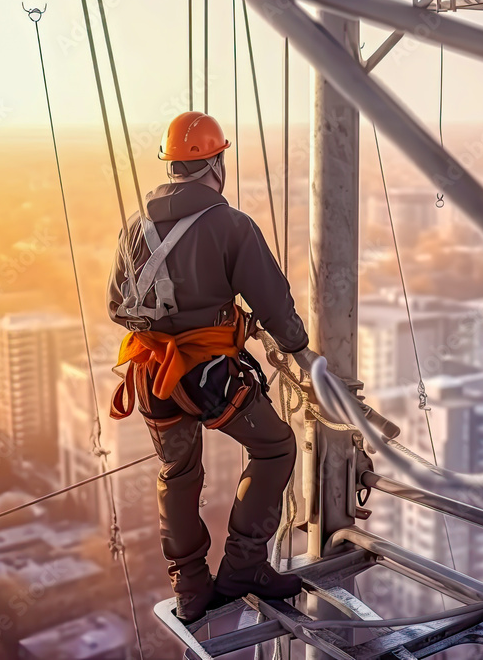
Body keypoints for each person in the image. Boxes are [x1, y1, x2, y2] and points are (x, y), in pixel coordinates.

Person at [106, 111, 324, 623]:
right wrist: (296, 346)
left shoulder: (135, 228)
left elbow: (118, 306)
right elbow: (273, 301)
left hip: (153, 377)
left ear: (173, 167)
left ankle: (191, 588)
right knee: (274, 448)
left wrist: (172, 320)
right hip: (209, 378)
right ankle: (244, 566)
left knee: (177, 472)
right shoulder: (230, 226)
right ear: (217, 163)